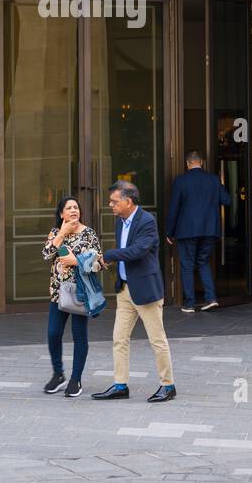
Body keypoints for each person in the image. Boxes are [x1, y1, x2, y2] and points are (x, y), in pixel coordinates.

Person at [91, 181, 176, 404]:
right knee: (119, 338)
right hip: (125, 289)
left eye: (114, 201)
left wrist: (109, 255)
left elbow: (138, 251)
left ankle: (168, 386)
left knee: (157, 340)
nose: (110, 205)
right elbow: (126, 252)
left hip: (146, 290)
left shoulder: (147, 221)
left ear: (128, 201)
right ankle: (120, 385)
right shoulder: (120, 221)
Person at [41, 196, 104, 398]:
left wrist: (76, 261)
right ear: (61, 214)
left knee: (79, 336)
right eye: (68, 208)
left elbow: (100, 263)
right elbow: (46, 255)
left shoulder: (89, 234)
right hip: (58, 293)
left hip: (80, 294)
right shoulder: (54, 232)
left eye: (76, 207)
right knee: (53, 333)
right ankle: (58, 374)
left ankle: (76, 379)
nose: (73, 211)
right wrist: (62, 233)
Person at [166, 149, 231, 312]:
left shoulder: (181, 181)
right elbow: (227, 200)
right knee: (203, 262)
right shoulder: (214, 180)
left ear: (187, 164)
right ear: (201, 162)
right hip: (210, 229)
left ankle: (189, 304)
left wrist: (170, 232)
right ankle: (211, 298)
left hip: (186, 230)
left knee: (187, 265)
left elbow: (174, 208)